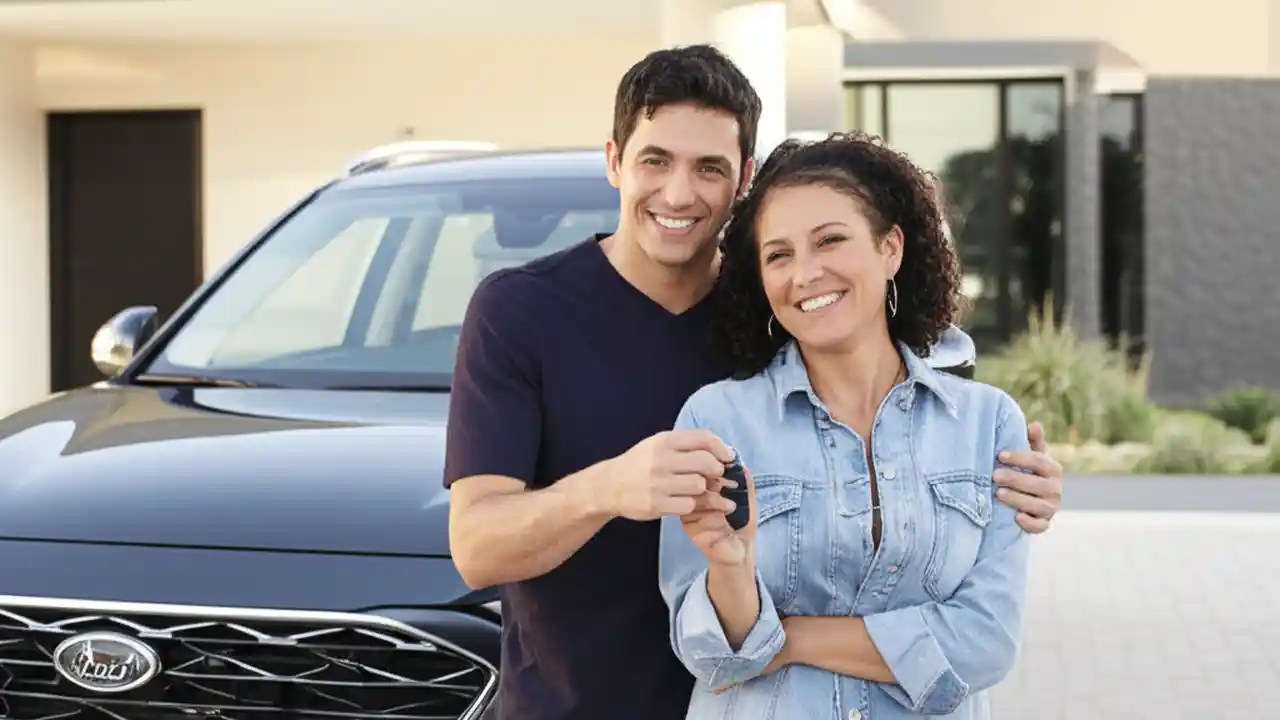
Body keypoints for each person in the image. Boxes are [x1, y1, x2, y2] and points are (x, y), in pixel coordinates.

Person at [444, 45, 1063, 720]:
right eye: (655, 160)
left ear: (742, 179)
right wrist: (610, 487)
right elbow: (476, 549)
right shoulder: (520, 313)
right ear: (615, 160)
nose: (679, 193)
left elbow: (922, 439)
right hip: (581, 705)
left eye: (708, 167)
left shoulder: (786, 313)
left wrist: (1023, 483)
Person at [658, 132, 1031, 719]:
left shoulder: (987, 424)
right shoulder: (716, 421)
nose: (805, 273)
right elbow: (711, 656)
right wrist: (732, 570)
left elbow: (985, 643)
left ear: (890, 249)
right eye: (779, 255)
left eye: (830, 240)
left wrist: (788, 638)